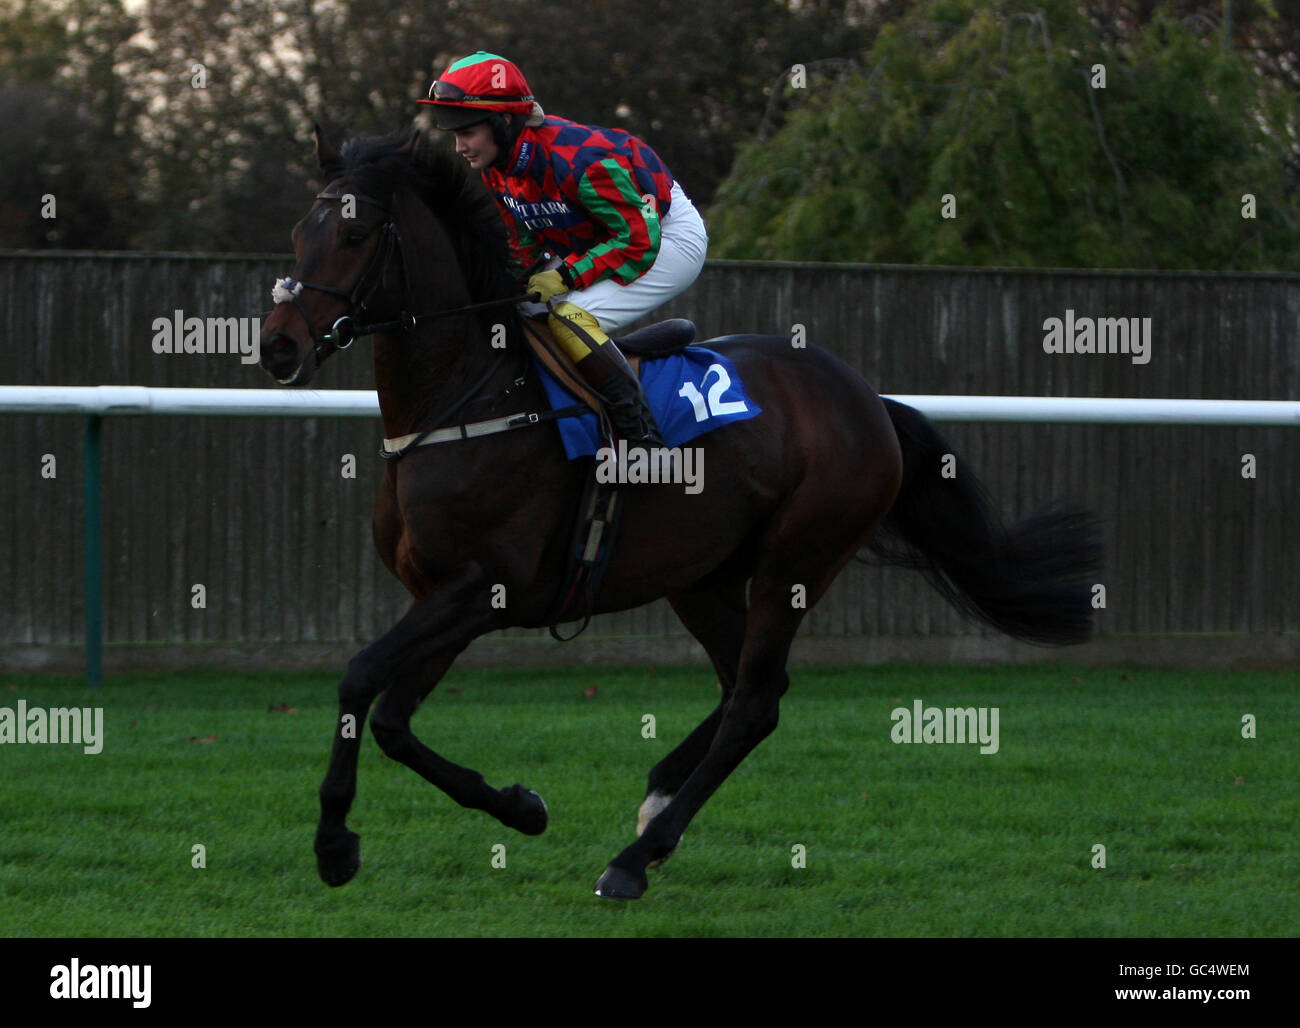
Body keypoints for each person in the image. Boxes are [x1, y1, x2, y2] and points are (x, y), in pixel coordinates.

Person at [419, 51, 709, 452]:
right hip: (602, 236)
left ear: (504, 122)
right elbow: (523, 246)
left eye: (466, 131)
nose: (459, 146)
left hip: (665, 235)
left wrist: (567, 276)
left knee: (571, 317)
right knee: (521, 313)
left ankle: (641, 436)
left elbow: (637, 240)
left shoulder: (583, 162)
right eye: (453, 134)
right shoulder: (496, 168)